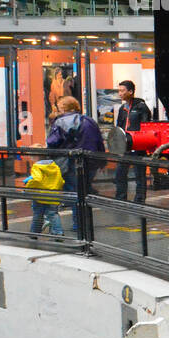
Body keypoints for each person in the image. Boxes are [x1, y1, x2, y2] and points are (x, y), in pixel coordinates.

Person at [45, 96, 104, 237]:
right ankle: (86, 222)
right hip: (91, 162)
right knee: (85, 191)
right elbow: (99, 142)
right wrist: (102, 161)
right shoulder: (90, 121)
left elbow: (52, 143)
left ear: (64, 108)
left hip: (71, 163)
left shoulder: (60, 122)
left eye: (59, 108)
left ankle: (78, 224)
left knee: (75, 193)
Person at [114, 80, 152, 204]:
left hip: (138, 146)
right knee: (120, 173)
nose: (120, 93)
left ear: (130, 91)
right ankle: (121, 198)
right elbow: (119, 126)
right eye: (119, 90)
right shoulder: (122, 108)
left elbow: (146, 126)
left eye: (122, 90)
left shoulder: (141, 107)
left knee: (139, 175)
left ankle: (140, 200)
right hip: (125, 147)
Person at [24, 159, 65, 237]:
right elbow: (61, 180)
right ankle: (58, 233)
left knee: (38, 214)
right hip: (53, 194)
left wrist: (28, 187)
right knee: (53, 214)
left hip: (40, 195)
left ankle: (34, 233)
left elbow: (36, 179)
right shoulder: (54, 165)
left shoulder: (37, 166)